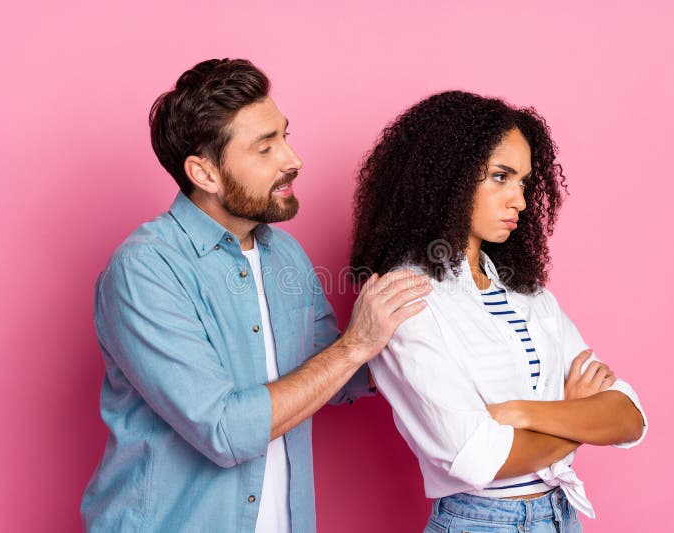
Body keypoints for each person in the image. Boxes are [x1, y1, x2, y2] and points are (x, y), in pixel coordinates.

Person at [80, 58, 431, 532]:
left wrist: (431, 317)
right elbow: (224, 431)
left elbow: (338, 376)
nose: (293, 159)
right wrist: (355, 345)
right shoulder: (145, 270)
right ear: (204, 174)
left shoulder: (284, 253)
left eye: (284, 136)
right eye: (265, 149)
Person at [351, 91, 647, 532]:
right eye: (501, 177)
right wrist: (579, 414)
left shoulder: (528, 294)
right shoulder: (405, 297)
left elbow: (628, 417)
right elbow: (480, 457)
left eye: (524, 182)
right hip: (481, 522)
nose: (520, 202)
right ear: (448, 177)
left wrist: (527, 413)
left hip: (563, 516)